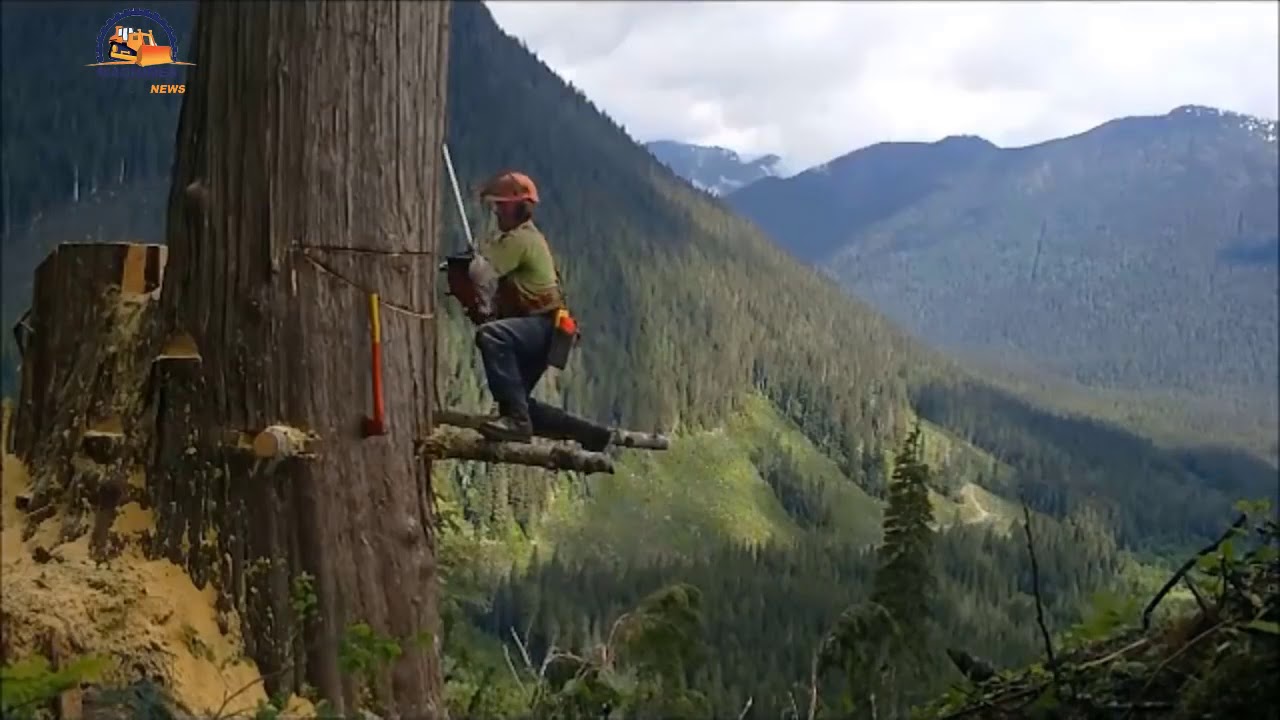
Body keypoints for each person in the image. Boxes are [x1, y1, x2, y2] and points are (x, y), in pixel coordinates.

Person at [471, 170, 613, 451]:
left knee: (492, 336)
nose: (497, 211)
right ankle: (591, 434)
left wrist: (472, 263)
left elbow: (481, 273)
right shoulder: (529, 238)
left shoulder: (519, 241)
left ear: (518, 207)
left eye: (501, 205)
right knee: (518, 402)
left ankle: (518, 424)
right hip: (550, 330)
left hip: (542, 326)